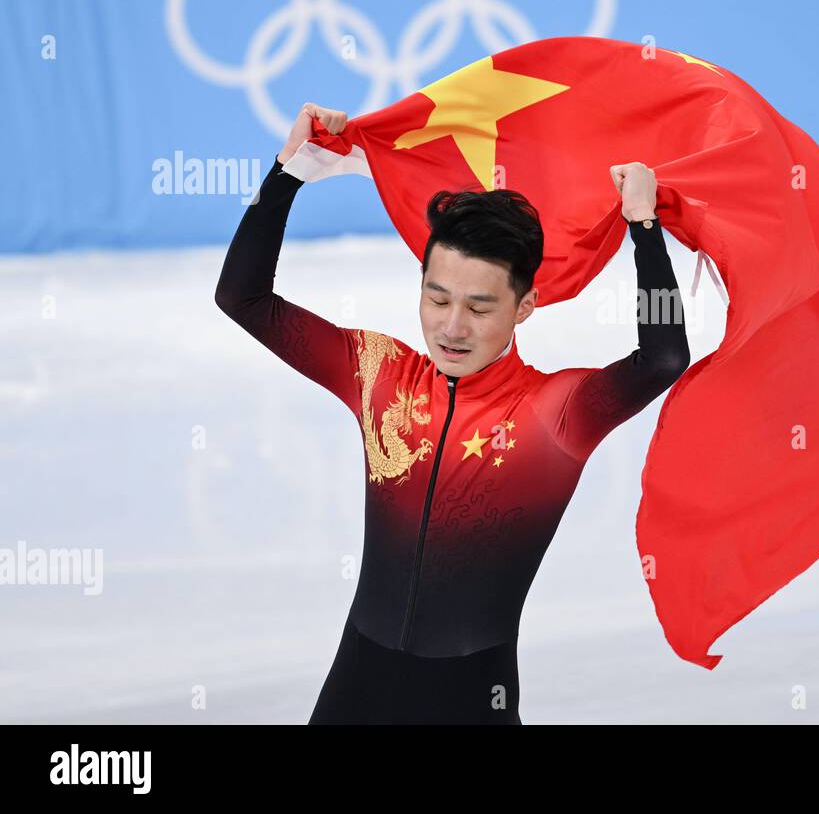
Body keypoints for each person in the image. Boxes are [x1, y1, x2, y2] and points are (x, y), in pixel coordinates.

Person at [214, 102, 690, 724]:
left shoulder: (554, 413)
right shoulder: (377, 373)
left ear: (525, 308)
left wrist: (644, 226)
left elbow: (662, 358)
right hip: (359, 682)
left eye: (479, 307)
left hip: (471, 697)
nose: (452, 327)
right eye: (436, 298)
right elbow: (241, 297)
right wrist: (289, 172)